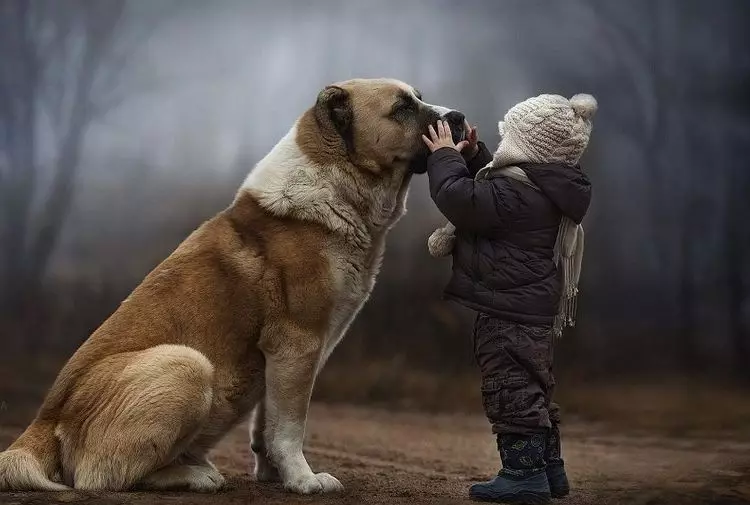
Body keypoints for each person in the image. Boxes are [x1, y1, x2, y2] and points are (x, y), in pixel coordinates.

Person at [421, 93, 596, 503]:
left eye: (508, 137)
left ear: (527, 146)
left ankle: (522, 476)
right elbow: (494, 192)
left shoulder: (515, 196)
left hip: (507, 310)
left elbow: (459, 198)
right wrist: (473, 156)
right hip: (530, 309)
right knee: (533, 387)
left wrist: (444, 157)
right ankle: (549, 471)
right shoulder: (541, 187)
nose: (502, 146)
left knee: (510, 388)